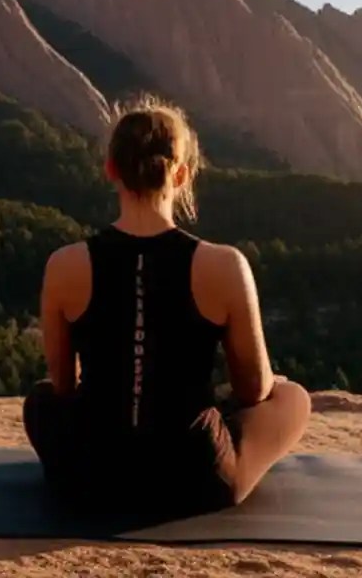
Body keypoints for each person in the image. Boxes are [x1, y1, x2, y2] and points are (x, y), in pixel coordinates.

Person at [23, 98, 311, 513]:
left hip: (87, 474)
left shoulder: (65, 264)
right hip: (196, 480)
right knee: (293, 397)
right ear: (181, 174)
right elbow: (254, 390)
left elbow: (64, 386)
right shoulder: (224, 264)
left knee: (40, 399)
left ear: (111, 170)